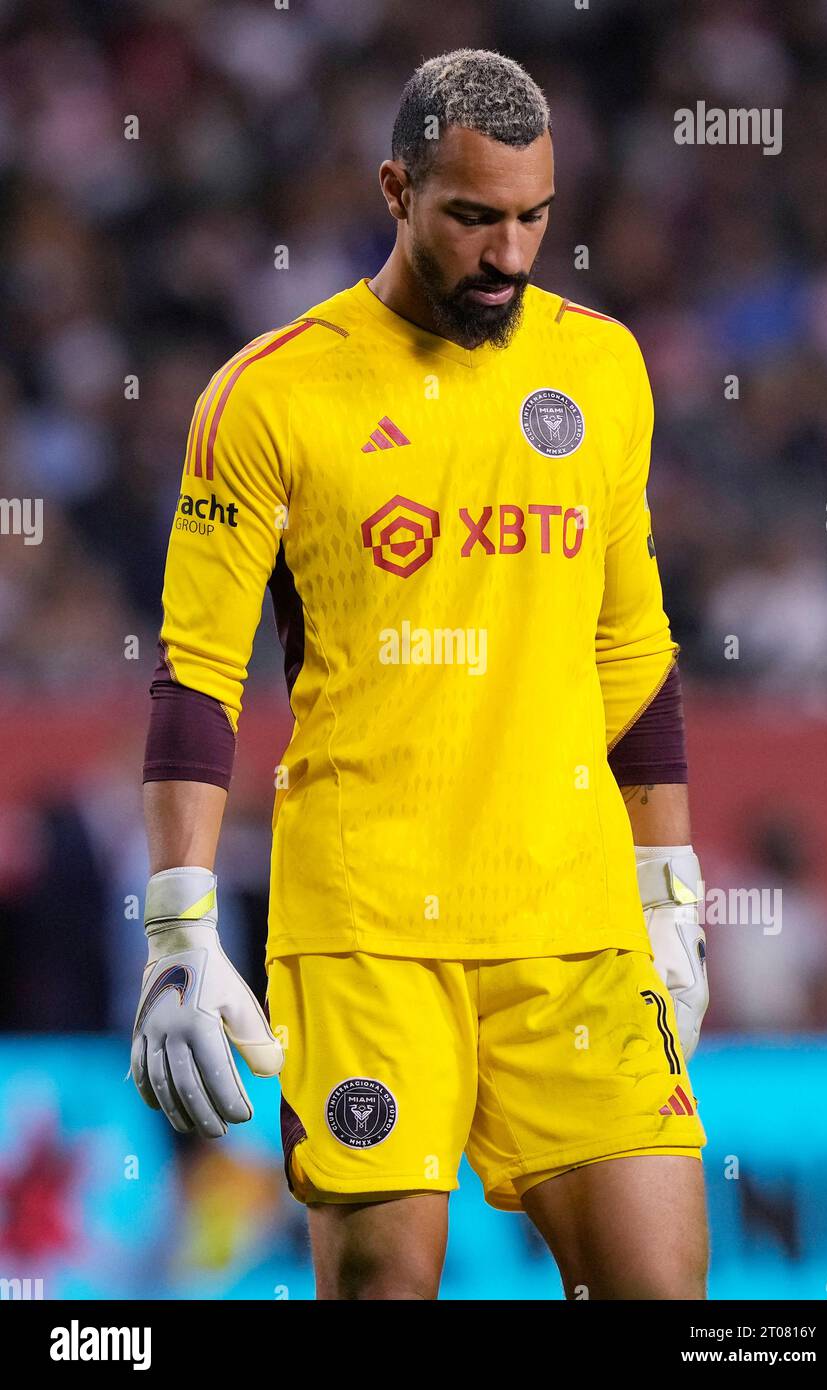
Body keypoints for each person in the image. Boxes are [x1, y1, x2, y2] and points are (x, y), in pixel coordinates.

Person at [131, 48, 709, 1301]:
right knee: (387, 1287)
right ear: (396, 190)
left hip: (573, 922)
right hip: (368, 933)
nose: (508, 253)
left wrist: (667, 888)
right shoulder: (270, 393)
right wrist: (176, 924)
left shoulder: (600, 368)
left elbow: (631, 643)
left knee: (667, 1302)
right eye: (472, 218)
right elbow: (195, 673)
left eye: (532, 219)